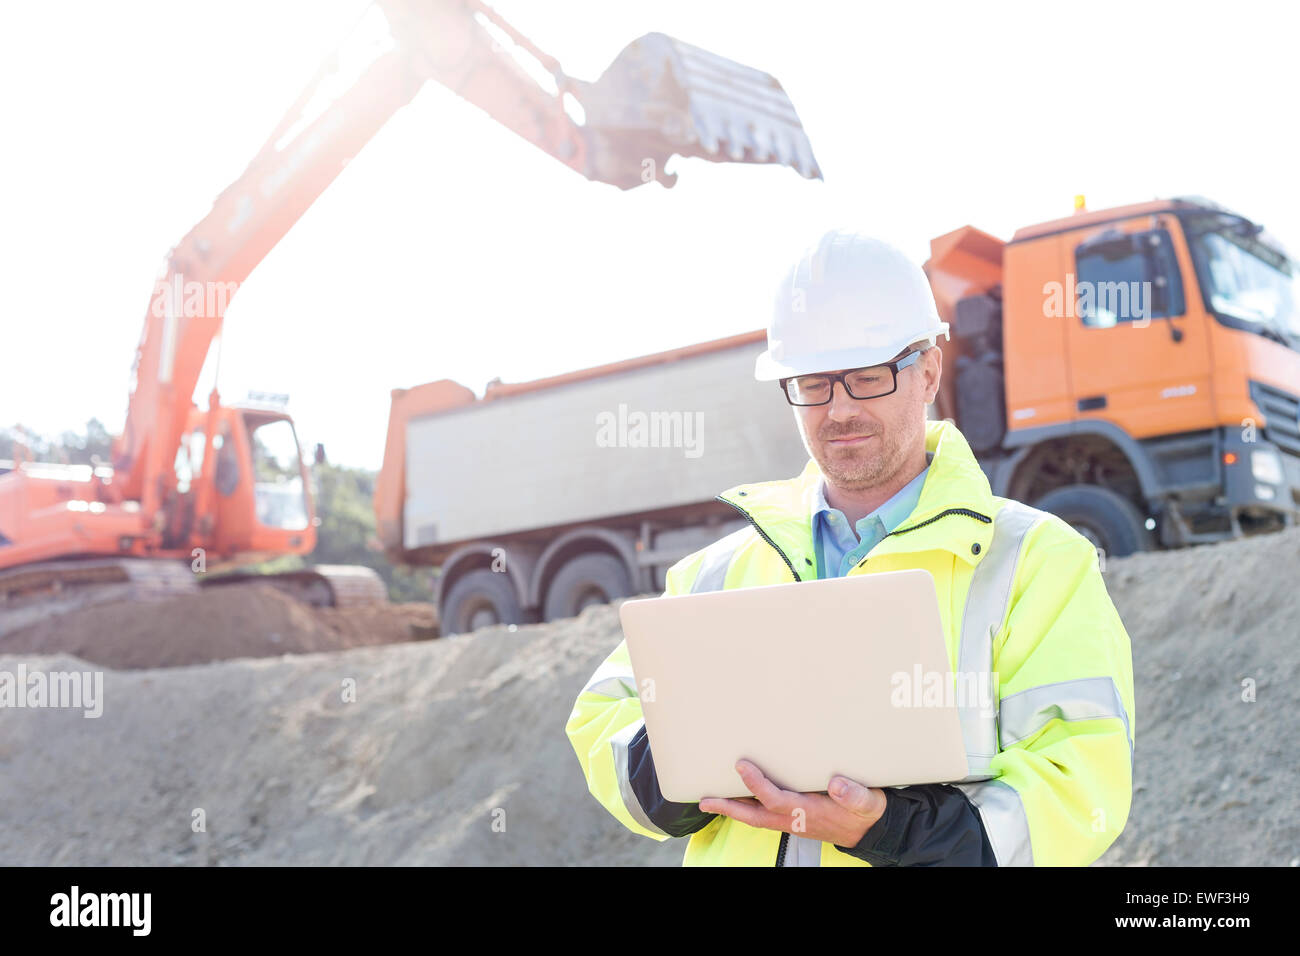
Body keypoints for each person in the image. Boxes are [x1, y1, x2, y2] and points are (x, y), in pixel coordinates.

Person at [565, 230, 1135, 866]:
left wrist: (888, 830)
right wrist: (695, 757)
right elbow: (601, 729)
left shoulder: (1033, 560)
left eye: (866, 378)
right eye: (812, 383)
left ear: (928, 373)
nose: (838, 411)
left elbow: (1082, 784)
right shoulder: (716, 572)